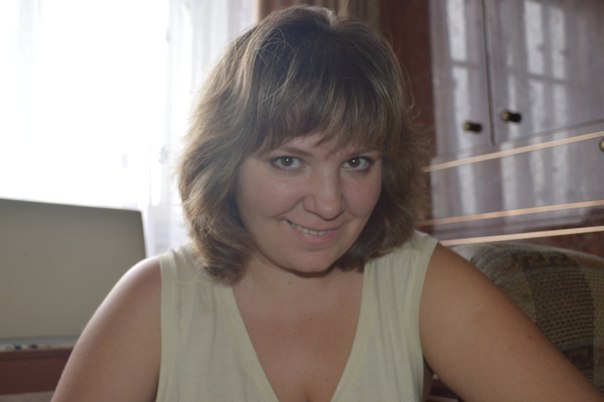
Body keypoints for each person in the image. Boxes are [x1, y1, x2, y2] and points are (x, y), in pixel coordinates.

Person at [52, 5, 603, 402]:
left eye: (357, 162)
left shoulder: (417, 278)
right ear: (225, 163)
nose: (329, 202)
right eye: (288, 161)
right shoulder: (155, 300)